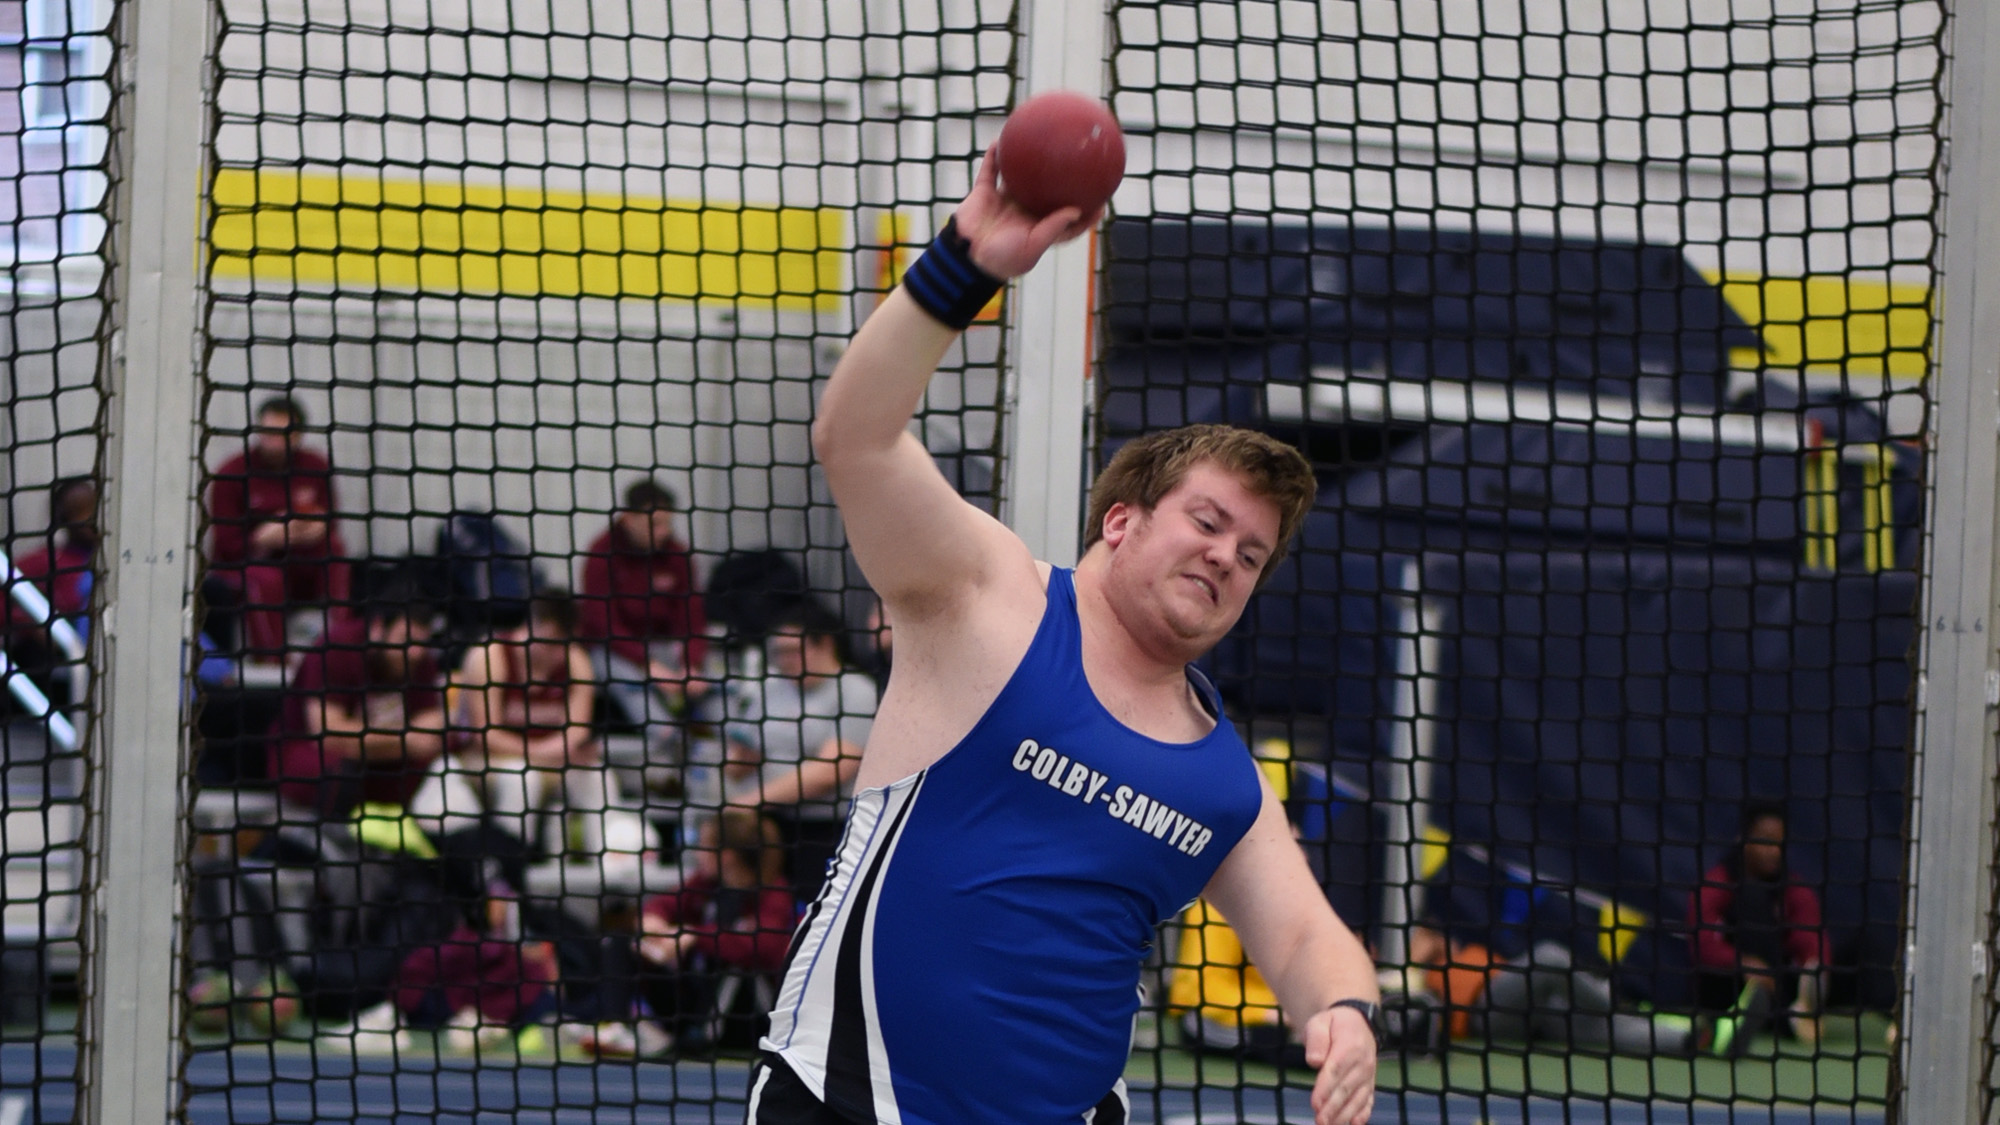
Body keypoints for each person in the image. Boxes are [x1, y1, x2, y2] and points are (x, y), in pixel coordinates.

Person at [749, 152, 1377, 1125]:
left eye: (1250, 554)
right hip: (846, 1100)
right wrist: (965, 265)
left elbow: (1301, 936)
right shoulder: (986, 599)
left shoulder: (1220, 779)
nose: (1224, 558)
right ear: (1120, 521)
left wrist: (1341, 1012)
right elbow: (856, 436)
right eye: (1206, 523)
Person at [267, 575, 447, 821]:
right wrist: (404, 740)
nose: (415, 652)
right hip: (307, 754)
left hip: (378, 760)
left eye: (421, 643)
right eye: (406, 641)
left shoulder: (418, 659)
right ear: (377, 629)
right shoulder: (338, 648)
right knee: (340, 773)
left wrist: (380, 742)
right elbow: (328, 735)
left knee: (436, 769)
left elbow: (433, 726)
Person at [205, 394, 350, 659]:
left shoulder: (316, 466)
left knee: (335, 552)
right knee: (265, 578)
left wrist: (315, 529)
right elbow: (225, 544)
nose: (275, 442)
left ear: (298, 436)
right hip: (245, 566)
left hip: (299, 560)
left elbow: (332, 523)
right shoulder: (232, 472)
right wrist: (261, 539)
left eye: (284, 434)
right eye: (268, 433)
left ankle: (342, 647)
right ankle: (271, 661)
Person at [1689, 800, 1831, 1044]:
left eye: (1779, 843)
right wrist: (1744, 964)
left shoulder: (1792, 888)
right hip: (1726, 985)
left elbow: (1809, 934)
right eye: (1765, 841)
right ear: (1743, 839)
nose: (1773, 851)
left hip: (1777, 982)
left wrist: (1815, 967)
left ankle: (1795, 1013)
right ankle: (1783, 1021)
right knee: (1753, 897)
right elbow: (1704, 946)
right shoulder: (1717, 884)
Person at [578, 478, 710, 716]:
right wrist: (647, 664)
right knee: (633, 685)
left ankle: (739, 739)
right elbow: (604, 624)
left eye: (667, 523)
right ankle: (668, 738)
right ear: (629, 519)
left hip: (664, 648)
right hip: (613, 651)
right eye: (655, 524)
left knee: (710, 683)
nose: (664, 532)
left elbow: (692, 619)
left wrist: (692, 664)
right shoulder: (601, 554)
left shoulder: (677, 555)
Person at [5, 476, 97, 702]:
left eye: (94, 508)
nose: (92, 518)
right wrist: (30, 623)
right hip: (56, 662)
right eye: (81, 511)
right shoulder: (46, 562)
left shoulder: (111, 564)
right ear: (63, 518)